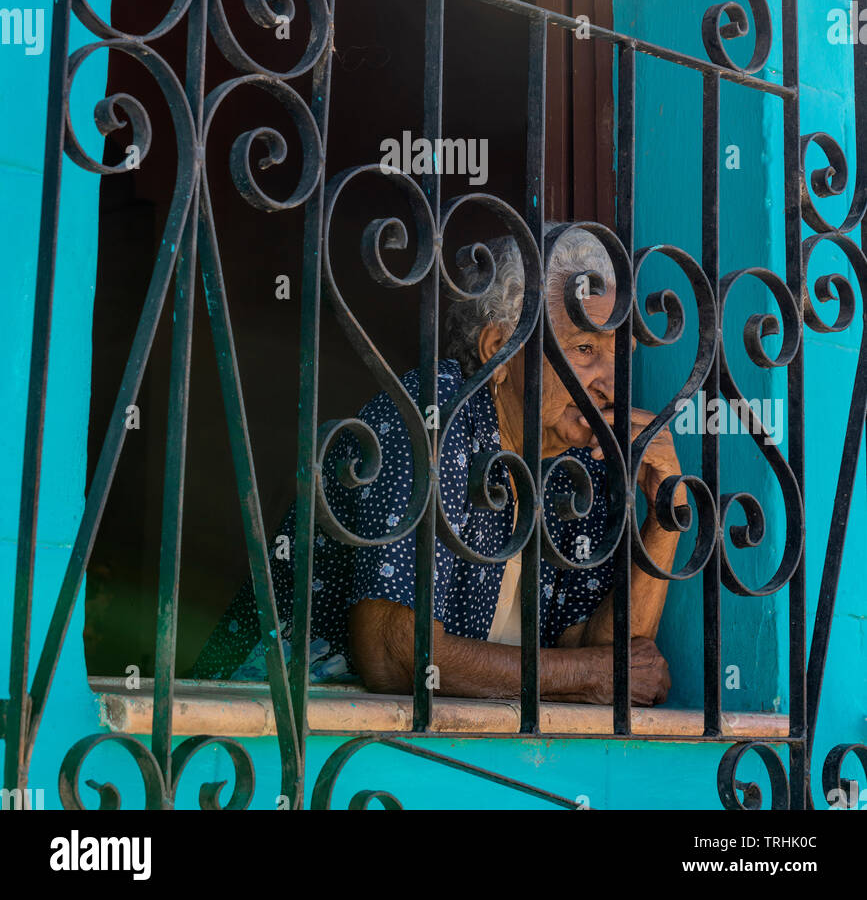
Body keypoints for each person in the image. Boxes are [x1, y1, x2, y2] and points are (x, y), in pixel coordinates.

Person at [191, 226, 681, 704]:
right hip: (272, 718)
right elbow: (393, 654)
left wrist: (664, 516)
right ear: (499, 350)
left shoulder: (581, 456)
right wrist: (586, 673)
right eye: (584, 349)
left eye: (620, 356)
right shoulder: (431, 416)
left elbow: (614, 665)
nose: (611, 385)